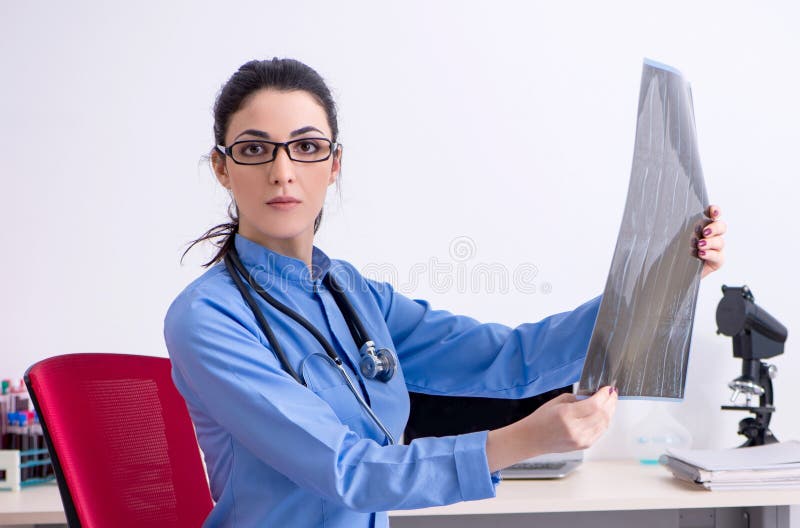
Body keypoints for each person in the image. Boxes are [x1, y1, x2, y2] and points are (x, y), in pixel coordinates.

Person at [164, 58, 727, 528]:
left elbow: (511, 357)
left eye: (307, 147)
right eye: (256, 150)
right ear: (221, 167)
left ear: (334, 165)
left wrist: (668, 283)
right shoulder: (208, 319)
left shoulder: (352, 294)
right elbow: (349, 471)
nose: (283, 171)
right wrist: (517, 441)